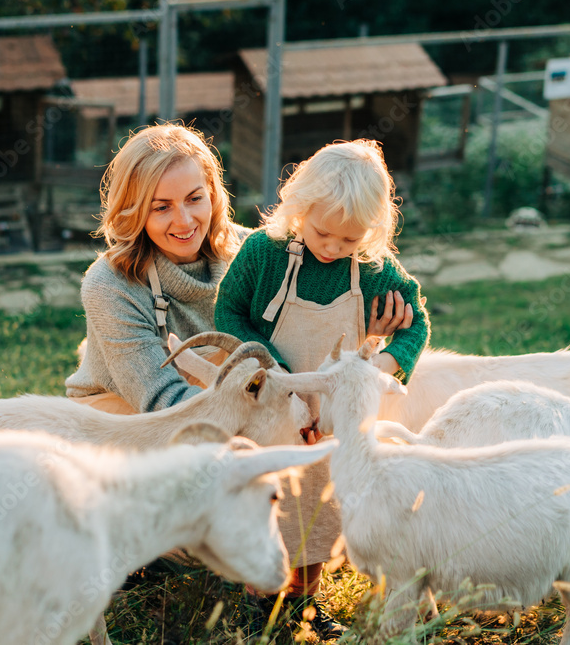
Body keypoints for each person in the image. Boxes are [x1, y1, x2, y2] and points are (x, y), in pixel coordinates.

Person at [214, 139, 431, 639]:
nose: (332, 248)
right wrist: (275, 370)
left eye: (349, 241)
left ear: (371, 233)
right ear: (298, 207)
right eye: (322, 232)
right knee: (268, 499)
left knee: (319, 504)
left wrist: (383, 361)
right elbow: (229, 313)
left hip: (333, 417)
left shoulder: (375, 271)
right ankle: (259, 597)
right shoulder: (263, 254)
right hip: (270, 398)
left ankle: (301, 600)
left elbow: (415, 323)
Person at [66, 123, 246, 413]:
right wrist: (262, 416)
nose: (185, 221)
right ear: (133, 211)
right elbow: (163, 402)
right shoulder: (110, 285)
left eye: (194, 198)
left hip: (227, 407)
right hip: (122, 419)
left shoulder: (249, 252)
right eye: (162, 207)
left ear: (212, 193)